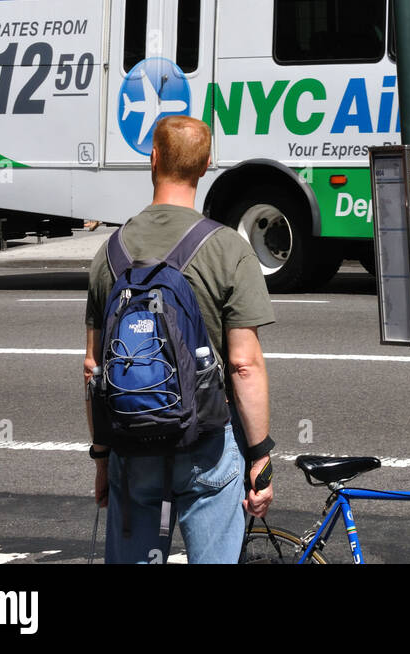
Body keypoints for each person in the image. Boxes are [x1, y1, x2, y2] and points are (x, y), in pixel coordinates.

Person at [84, 115, 275, 564]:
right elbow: (244, 364)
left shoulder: (109, 253)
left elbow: (93, 367)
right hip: (204, 443)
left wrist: (101, 456)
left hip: (131, 448)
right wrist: (261, 458)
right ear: (207, 165)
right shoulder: (229, 249)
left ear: (152, 159)